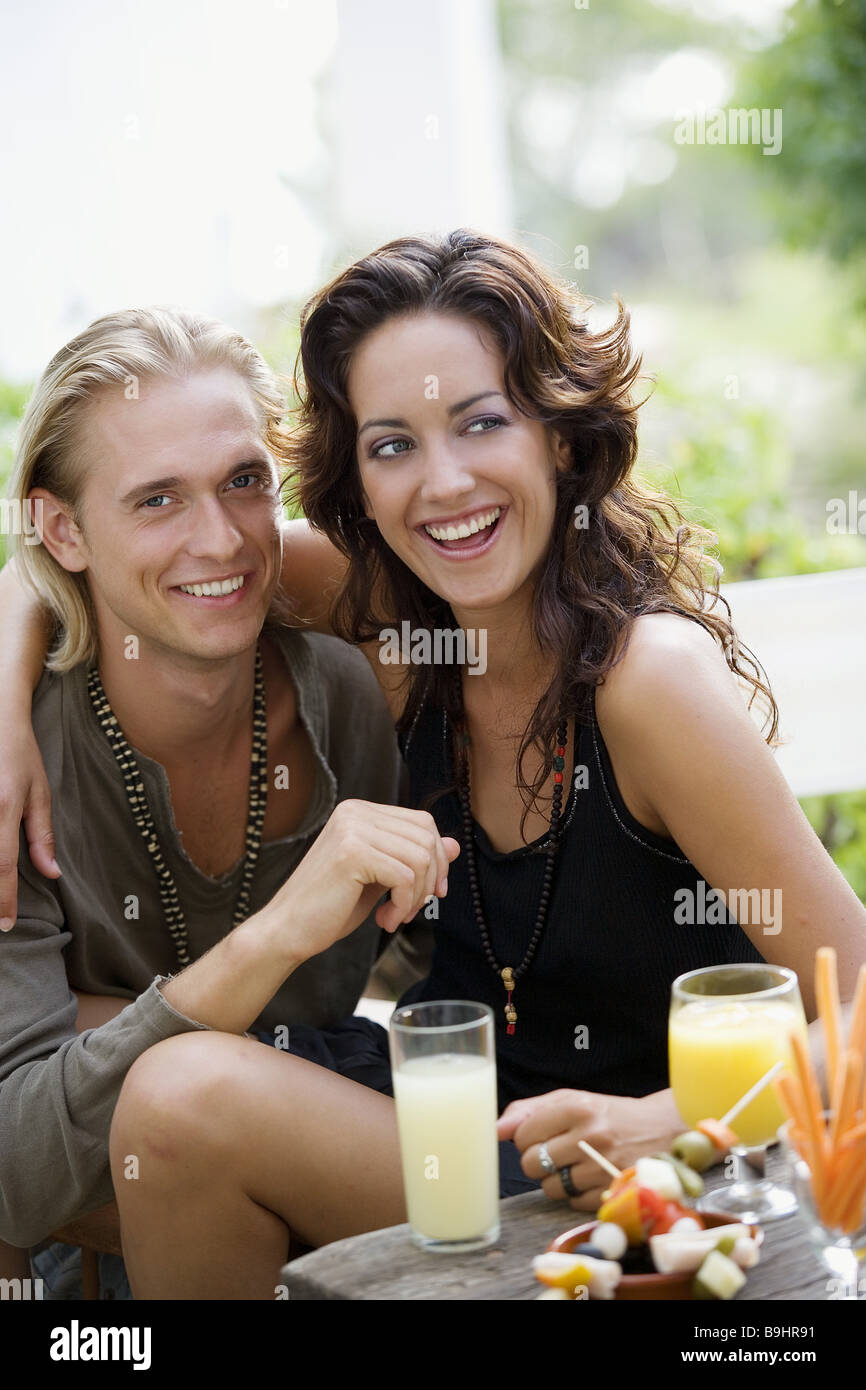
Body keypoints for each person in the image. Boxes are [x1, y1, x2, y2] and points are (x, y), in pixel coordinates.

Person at [1, 232, 864, 1300]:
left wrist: (661, 1117)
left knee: (183, 1099)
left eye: (481, 422)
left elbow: (862, 1007)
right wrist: (4, 690)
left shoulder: (646, 684)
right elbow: (110, 553)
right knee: (123, 1080)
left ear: (555, 433)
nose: (442, 483)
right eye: (393, 444)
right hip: (463, 1126)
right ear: (357, 477)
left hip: (662, 1171)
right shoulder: (399, 629)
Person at [0, 307, 457, 1299]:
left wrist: (109, 1023)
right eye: (156, 499)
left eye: (243, 482)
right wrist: (273, 939)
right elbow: (16, 1166)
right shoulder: (18, 763)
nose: (219, 539)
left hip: (336, 1173)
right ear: (64, 528)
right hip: (112, 1251)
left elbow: (452, 956)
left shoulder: (343, 692)